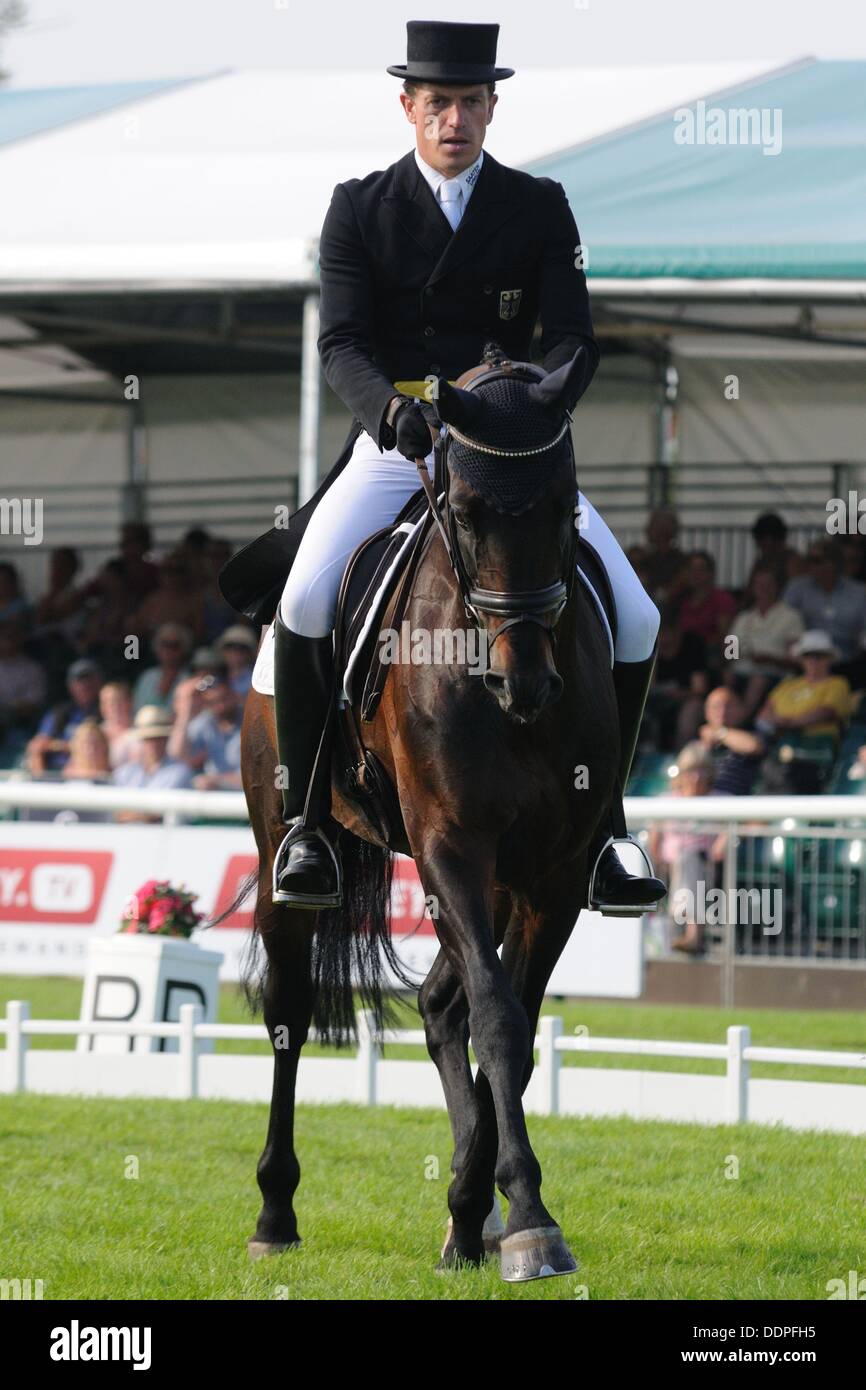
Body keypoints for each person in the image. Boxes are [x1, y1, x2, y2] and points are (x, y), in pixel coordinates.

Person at [261, 20, 663, 914]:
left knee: (635, 614)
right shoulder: (360, 205)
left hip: (506, 449)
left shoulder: (538, 204)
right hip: (399, 440)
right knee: (303, 600)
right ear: (408, 106)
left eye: (470, 101)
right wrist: (391, 411)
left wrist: (537, 402)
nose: (454, 117)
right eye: (437, 102)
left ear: (491, 107)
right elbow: (341, 342)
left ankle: (608, 832)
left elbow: (573, 338)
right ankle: (306, 826)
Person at [757, 630, 852, 793]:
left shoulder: (838, 684)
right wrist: (787, 723)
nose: (813, 661)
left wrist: (787, 722)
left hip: (817, 752)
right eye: (808, 655)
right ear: (801, 659)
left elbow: (826, 712)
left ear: (829, 659)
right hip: (780, 750)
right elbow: (764, 714)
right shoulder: (787, 684)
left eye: (819, 655)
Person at [729, 564, 803, 719]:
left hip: (776, 675)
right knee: (726, 676)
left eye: (768, 584)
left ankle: (741, 720)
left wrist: (770, 660)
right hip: (741, 671)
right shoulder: (743, 618)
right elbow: (729, 651)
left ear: (777, 587)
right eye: (759, 584)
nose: (763, 588)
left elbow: (796, 659)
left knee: (758, 680)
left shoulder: (791, 617)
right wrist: (742, 654)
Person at [783, 539, 866, 663]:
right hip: (807, 660)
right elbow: (784, 623)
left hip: (848, 658)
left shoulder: (858, 592)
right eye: (809, 560)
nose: (811, 565)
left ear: (834, 562)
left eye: (817, 561)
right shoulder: (796, 588)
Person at [113, 706, 192, 818]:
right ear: (141, 739)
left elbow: (159, 813)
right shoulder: (124, 772)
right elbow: (115, 812)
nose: (154, 743)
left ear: (167, 738)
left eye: (159, 738)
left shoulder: (180, 771)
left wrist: (130, 815)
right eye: (148, 738)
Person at [27, 658, 102, 774]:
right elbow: (38, 745)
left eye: (89, 680)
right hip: (55, 774)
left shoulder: (105, 711)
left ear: (98, 682)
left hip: (88, 773)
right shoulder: (60, 713)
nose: (85, 685)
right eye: (80, 681)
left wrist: (60, 746)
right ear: (71, 686)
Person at [169, 672, 243, 789]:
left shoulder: (252, 722)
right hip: (217, 801)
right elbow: (176, 754)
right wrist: (187, 706)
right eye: (212, 702)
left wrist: (217, 780)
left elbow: (259, 777)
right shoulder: (207, 722)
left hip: (248, 800)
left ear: (235, 695)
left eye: (224, 699)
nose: (220, 706)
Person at [697, 687, 765, 796]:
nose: (722, 712)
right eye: (716, 707)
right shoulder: (697, 741)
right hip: (699, 802)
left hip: (734, 802)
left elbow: (753, 747)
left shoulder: (752, 733)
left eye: (728, 706)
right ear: (706, 712)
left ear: (742, 710)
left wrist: (718, 732)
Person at [676, 551, 736, 664]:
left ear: (711, 572)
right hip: (684, 656)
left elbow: (726, 635)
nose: (695, 574)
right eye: (691, 570)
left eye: (700, 570)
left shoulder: (722, 599)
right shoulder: (683, 601)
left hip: (710, 656)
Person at [132, 622, 192, 712]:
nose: (169, 650)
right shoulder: (147, 677)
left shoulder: (189, 679)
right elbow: (138, 709)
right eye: (164, 644)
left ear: (184, 649)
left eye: (174, 645)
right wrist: (161, 692)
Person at [98, 681, 138, 769]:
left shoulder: (142, 733)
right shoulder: (95, 732)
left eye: (115, 701)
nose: (111, 706)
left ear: (129, 702)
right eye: (105, 702)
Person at [215, 624, 257, 699]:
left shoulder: (255, 680)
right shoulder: (216, 676)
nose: (235, 652)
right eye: (230, 646)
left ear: (250, 653)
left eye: (241, 648)